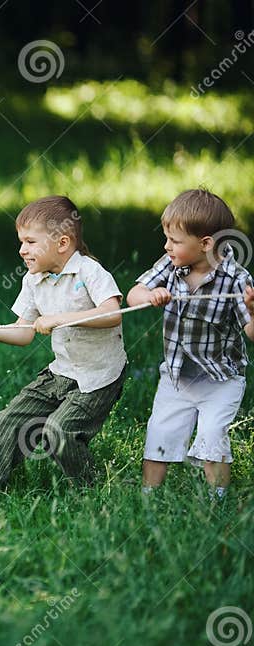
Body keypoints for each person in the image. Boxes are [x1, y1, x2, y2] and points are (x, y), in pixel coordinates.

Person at [0, 196, 127, 503]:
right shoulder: (33, 279)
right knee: (9, 420)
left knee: (58, 432)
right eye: (20, 241)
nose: (22, 249)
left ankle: (93, 493)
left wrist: (59, 319)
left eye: (30, 241)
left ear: (63, 243)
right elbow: (23, 333)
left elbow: (112, 314)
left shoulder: (90, 273)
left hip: (99, 377)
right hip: (62, 372)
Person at [127, 189, 254, 499]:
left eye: (175, 240)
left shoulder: (237, 280)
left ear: (206, 243)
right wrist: (150, 296)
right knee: (160, 435)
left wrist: (252, 310)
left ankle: (217, 500)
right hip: (176, 377)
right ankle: (149, 496)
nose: (166, 246)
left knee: (212, 437)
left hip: (221, 380)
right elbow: (134, 295)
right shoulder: (169, 266)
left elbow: (251, 333)